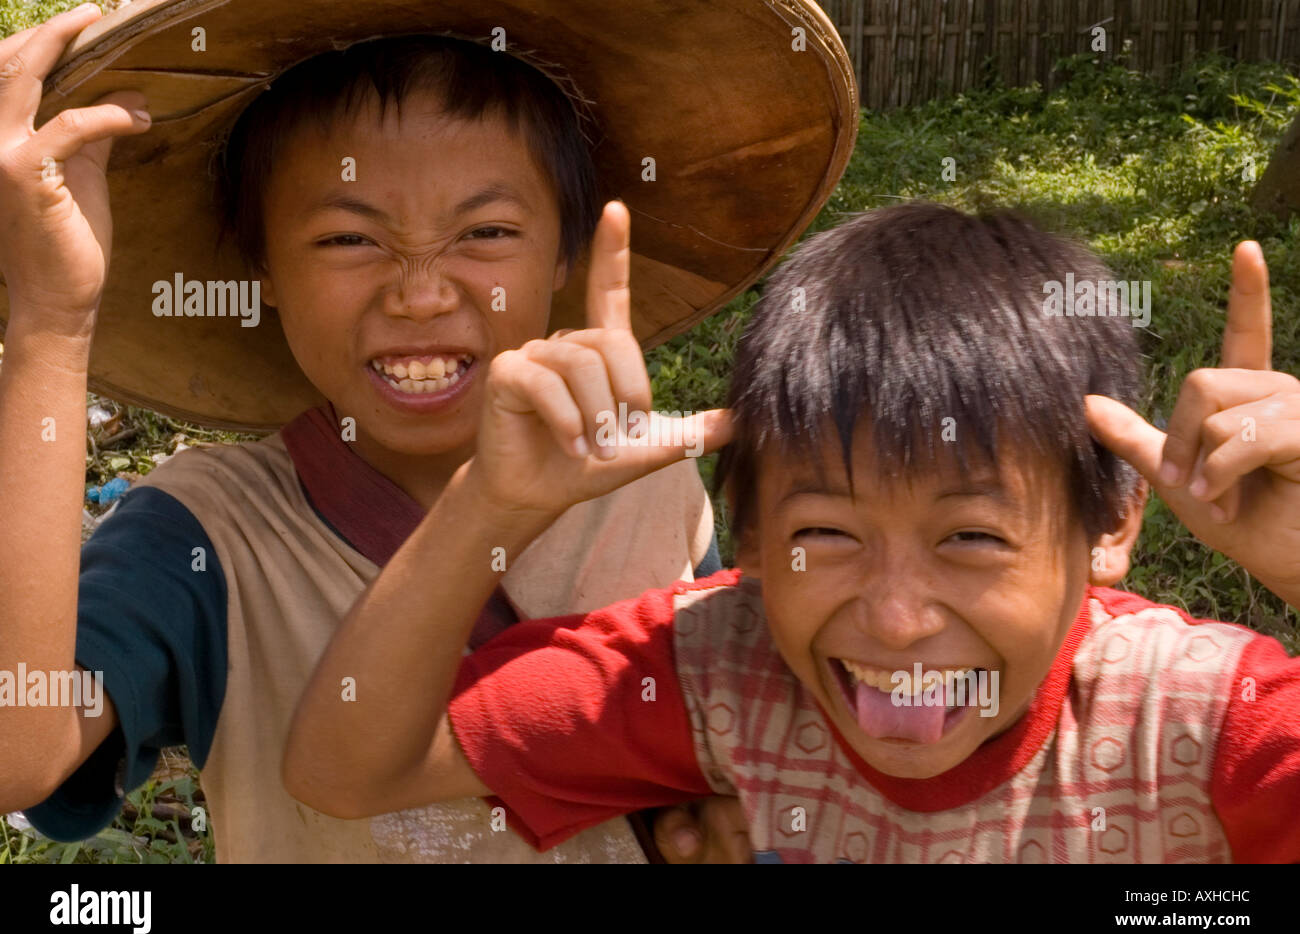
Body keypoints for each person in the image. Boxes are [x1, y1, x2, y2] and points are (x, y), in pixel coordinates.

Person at [0, 1, 856, 862]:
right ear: (263, 268)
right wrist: (51, 320)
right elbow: (16, 755)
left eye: (486, 232)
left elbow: (721, 738)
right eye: (347, 237)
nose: (420, 294)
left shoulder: (648, 483)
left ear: (565, 250)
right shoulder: (208, 533)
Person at [283, 202, 1300, 862]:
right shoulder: (719, 674)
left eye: (972, 540)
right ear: (754, 538)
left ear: (1110, 524)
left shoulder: (1211, 720)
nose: (896, 621)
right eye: (828, 534)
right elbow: (351, 771)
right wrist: (488, 506)